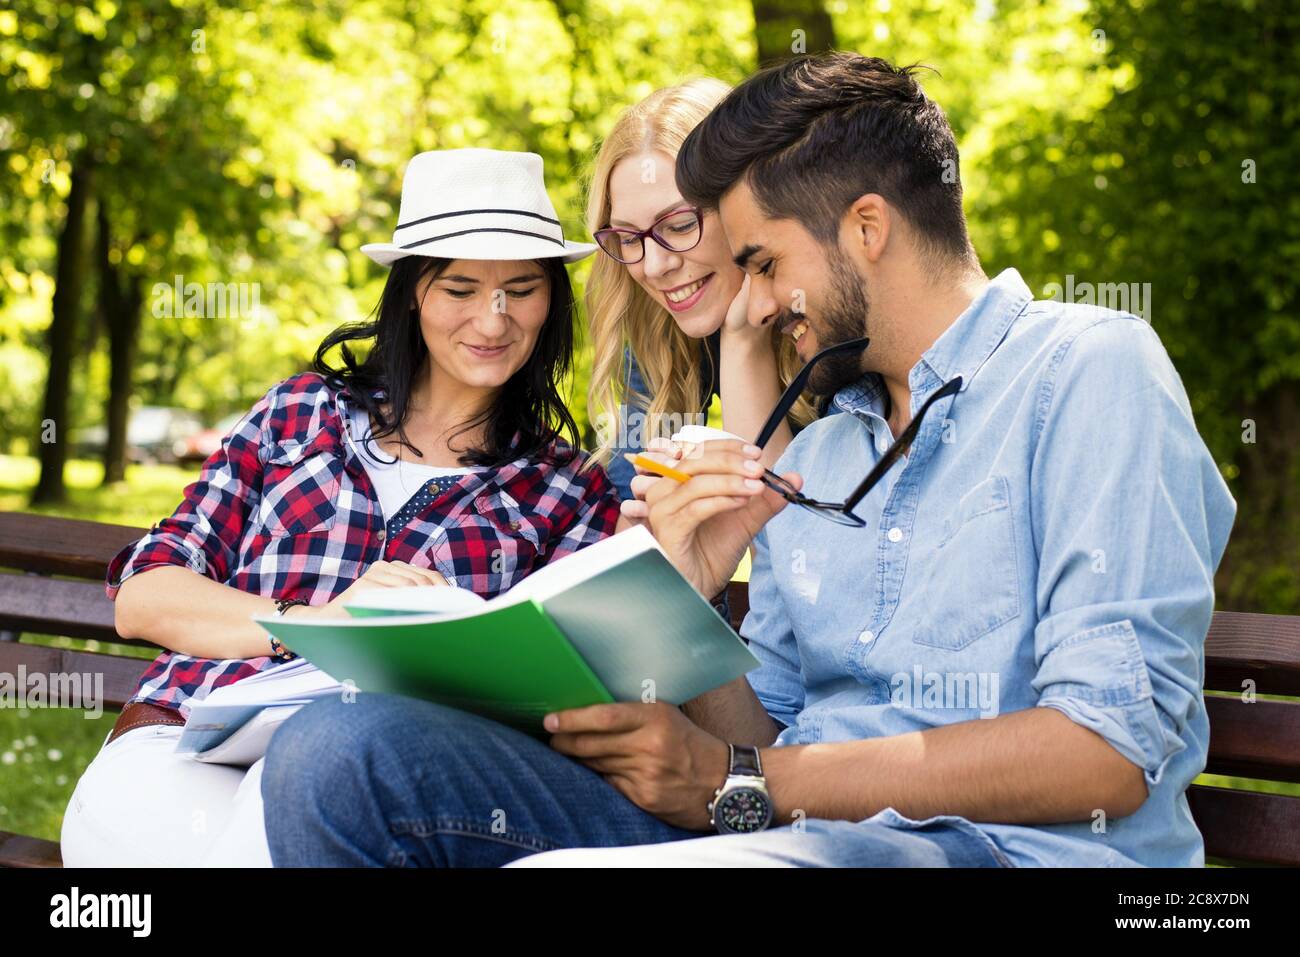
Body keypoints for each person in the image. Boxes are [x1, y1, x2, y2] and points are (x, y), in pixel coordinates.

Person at [261, 55, 1235, 868]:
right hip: (778, 827)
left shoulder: (1087, 371)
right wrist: (681, 587)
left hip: (988, 849)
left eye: (762, 263)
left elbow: (1107, 751)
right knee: (342, 753)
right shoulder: (826, 450)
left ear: (864, 228)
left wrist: (743, 785)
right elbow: (761, 730)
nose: (756, 306)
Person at [59, 148, 620, 867]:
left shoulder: (566, 488)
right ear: (412, 292)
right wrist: (323, 627)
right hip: (180, 741)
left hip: (368, 778)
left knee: (297, 807)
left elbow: (556, 693)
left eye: (523, 287)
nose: (494, 317)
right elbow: (145, 597)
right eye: (460, 288)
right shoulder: (300, 415)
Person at [584, 78, 819, 506]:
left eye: (679, 226)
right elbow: (633, 519)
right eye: (629, 238)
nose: (654, 267)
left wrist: (744, 344)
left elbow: (803, 546)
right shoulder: (656, 326)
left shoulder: (830, 317)